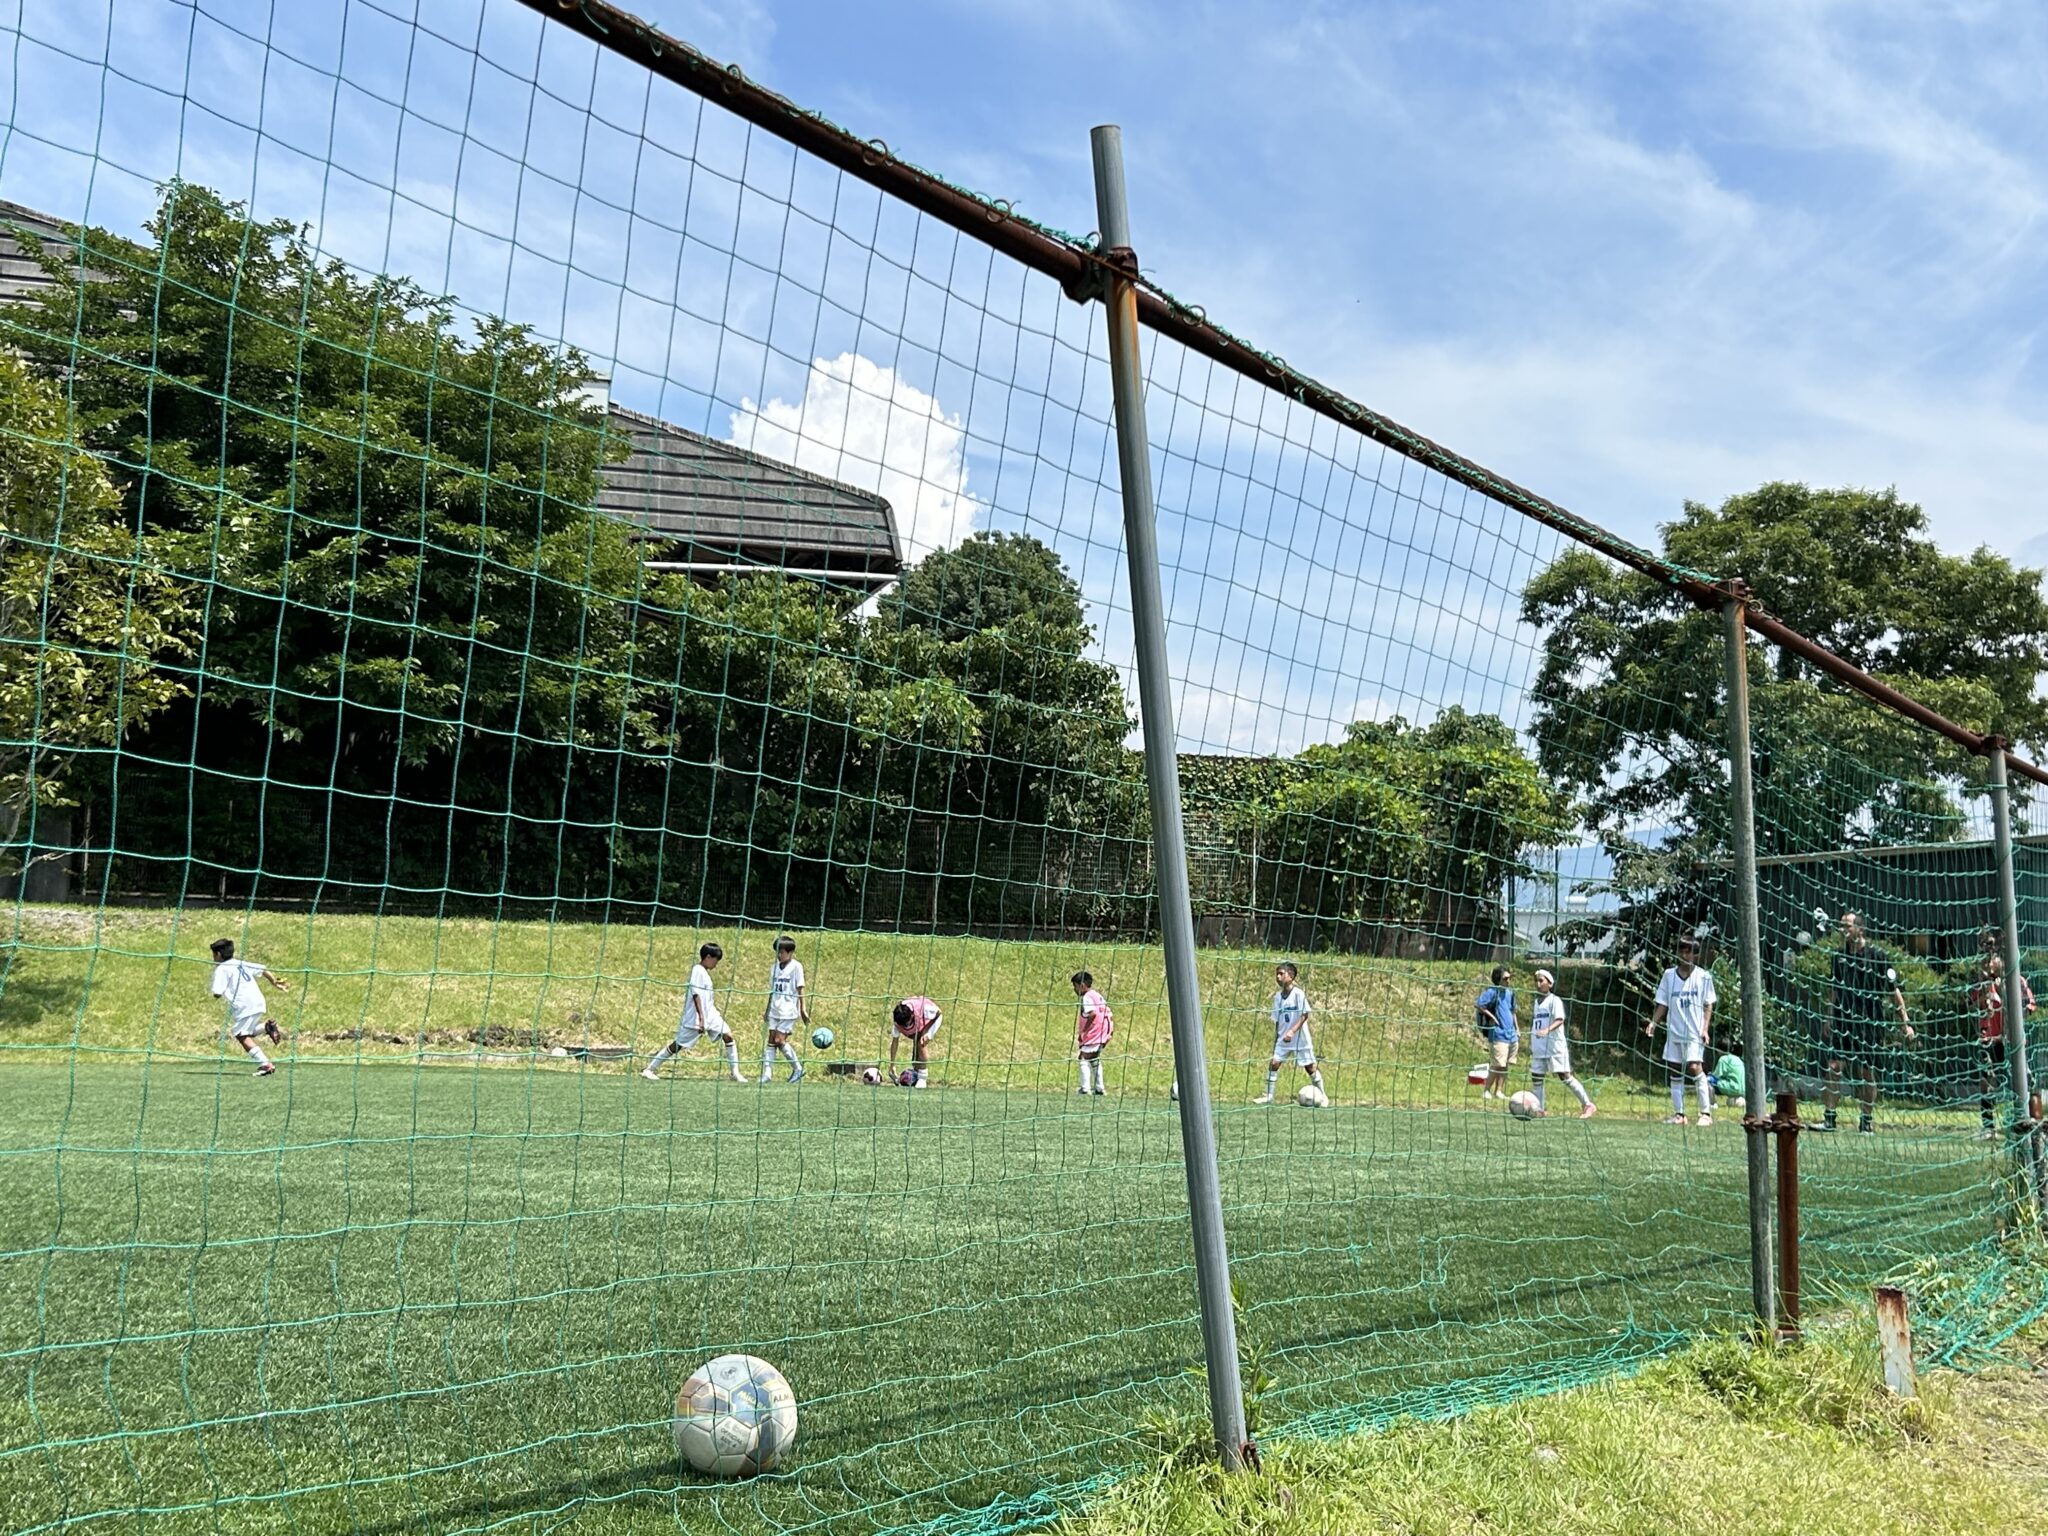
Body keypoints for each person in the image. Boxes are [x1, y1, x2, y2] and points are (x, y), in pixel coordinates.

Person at [1821, 911, 1913, 1133]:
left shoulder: (1879, 957)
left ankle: (1866, 1121)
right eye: (1842, 926)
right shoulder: (1839, 957)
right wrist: (1828, 1017)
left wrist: (1906, 1023)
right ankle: (1829, 1118)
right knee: (1834, 1067)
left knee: (1867, 1072)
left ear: (1860, 929)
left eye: (1847, 926)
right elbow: (1835, 990)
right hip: (1844, 1020)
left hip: (1870, 1023)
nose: (1843, 931)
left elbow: (1894, 992)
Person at [643, 942, 744, 1082]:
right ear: (708, 957)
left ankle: (735, 1073)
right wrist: (701, 1018)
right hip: (696, 1016)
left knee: (728, 1036)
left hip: (711, 1014)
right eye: (716, 960)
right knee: (678, 1045)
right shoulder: (697, 970)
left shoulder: (705, 973)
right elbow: (696, 995)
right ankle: (650, 1069)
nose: (716, 964)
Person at [1645, 937, 1716, 1126]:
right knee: (1674, 1070)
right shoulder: (1669, 975)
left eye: (1689, 952)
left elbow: (1708, 1004)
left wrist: (1705, 1029)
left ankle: (1706, 1114)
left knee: (1694, 1067)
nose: (1685, 955)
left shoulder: (1703, 976)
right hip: (1674, 1031)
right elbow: (1663, 1003)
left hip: (1694, 1033)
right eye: (1682, 951)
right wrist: (1653, 1022)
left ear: (1695, 955)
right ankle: (1680, 1115)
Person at [1974, 953, 2035, 1140]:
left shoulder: (2017, 980)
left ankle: (2029, 1121)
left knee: (2024, 1081)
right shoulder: (1982, 985)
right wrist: (1985, 997)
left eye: (1990, 959)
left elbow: (2029, 1007)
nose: (1987, 964)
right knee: (1986, 1082)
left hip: (2011, 1042)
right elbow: (1973, 1006)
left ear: (2000, 960)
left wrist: (2006, 996)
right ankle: (1988, 1128)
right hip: (1990, 1040)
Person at [209, 938, 287, 1078]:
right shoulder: (240, 963)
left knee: (242, 1036)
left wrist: (217, 986)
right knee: (247, 1032)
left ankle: (266, 1064)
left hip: (244, 1005)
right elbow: (263, 969)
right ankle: (266, 1027)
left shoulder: (221, 969)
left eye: (213, 954)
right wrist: (274, 982)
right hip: (258, 1001)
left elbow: (217, 993)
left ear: (218, 955)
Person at [1527, 968, 1595, 1118]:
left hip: (1554, 1046)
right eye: (1536, 981)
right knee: (1536, 1077)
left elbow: (1560, 1019)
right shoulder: (1536, 1003)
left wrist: (1547, 1030)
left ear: (1550, 984)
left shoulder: (1554, 1000)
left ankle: (1588, 1104)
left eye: (1541, 981)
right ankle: (1540, 1109)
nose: (1538, 984)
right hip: (1539, 1047)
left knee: (1564, 1076)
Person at [1255, 961, 1323, 1105]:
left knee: (1310, 1067)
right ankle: (1269, 1095)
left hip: (1300, 1038)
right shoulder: (1277, 997)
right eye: (1277, 974)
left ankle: (1323, 1096)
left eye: (1281, 974)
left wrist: (1292, 1031)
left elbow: (1305, 1014)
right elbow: (1278, 1020)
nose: (1278, 977)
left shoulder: (1298, 994)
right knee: (1274, 1063)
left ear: (1291, 976)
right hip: (1283, 1038)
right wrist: (1277, 1038)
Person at [760, 935, 808, 1084]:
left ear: (790, 952)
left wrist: (803, 1009)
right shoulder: (773, 968)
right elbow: (772, 990)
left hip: (788, 1010)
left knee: (779, 1040)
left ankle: (798, 1068)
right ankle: (767, 1075)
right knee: (771, 1041)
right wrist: (767, 1010)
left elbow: (800, 989)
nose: (779, 955)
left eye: (782, 952)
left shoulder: (796, 967)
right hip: (775, 1009)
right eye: (777, 952)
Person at [1473, 966, 1519, 1102]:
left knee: (1505, 1065)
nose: (1508, 981)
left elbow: (1513, 1011)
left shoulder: (1510, 993)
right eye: (1505, 978)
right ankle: (1486, 1090)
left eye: (1509, 978)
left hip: (1511, 1034)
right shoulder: (1493, 992)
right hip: (1499, 1034)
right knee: (1497, 1063)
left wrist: (1517, 1029)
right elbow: (1479, 1005)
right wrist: (1492, 1017)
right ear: (1498, 979)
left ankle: (1499, 1091)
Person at [1072, 970, 1114, 1096]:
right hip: (1103, 1031)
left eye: (1075, 986)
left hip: (1094, 1032)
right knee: (1094, 1059)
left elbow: (1093, 1013)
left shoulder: (1087, 997)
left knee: (1083, 1058)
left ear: (1082, 985)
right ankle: (1100, 1088)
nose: (1074, 990)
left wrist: (1084, 1031)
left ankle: (1085, 1088)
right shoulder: (1097, 995)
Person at [890, 995, 941, 1089]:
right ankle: (916, 1073)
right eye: (903, 1025)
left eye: (907, 1023)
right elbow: (895, 1042)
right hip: (916, 1027)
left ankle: (922, 1078)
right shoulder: (898, 1021)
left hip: (929, 1021)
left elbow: (939, 1014)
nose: (906, 1026)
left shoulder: (925, 1009)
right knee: (915, 1055)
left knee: (920, 1043)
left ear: (912, 1015)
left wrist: (929, 1034)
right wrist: (892, 1064)